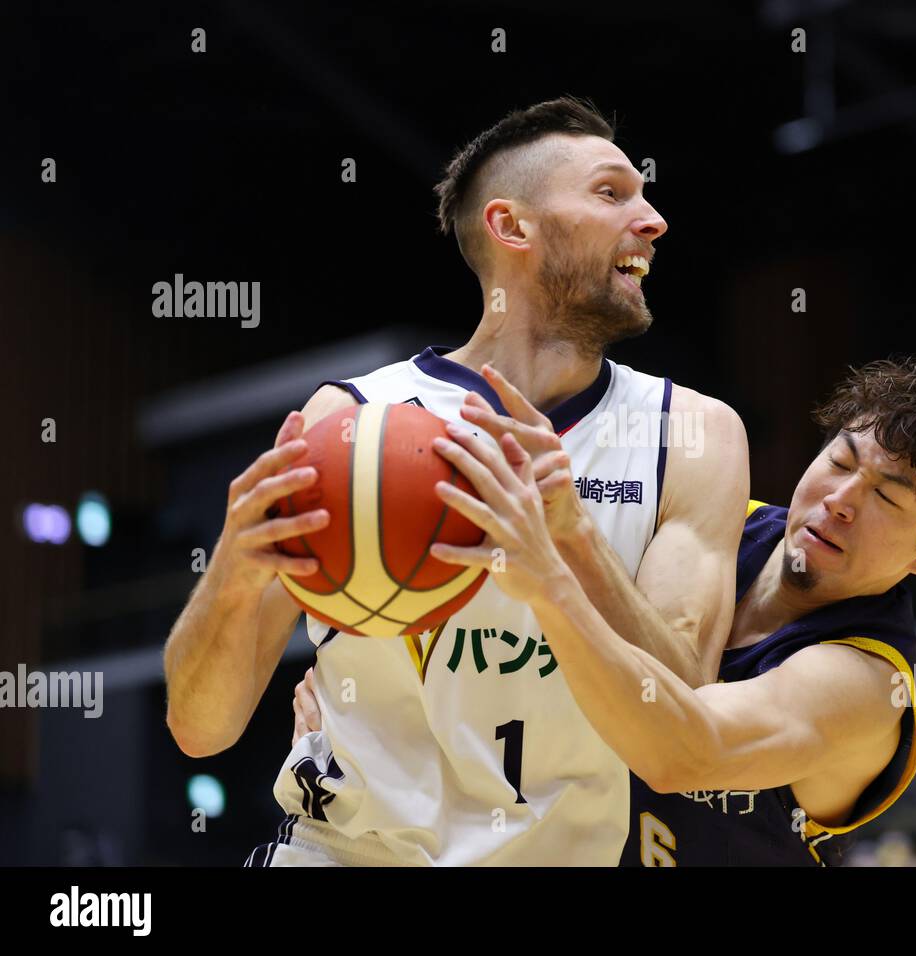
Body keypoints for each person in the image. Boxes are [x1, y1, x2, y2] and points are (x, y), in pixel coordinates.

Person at [163, 96, 749, 866]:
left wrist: (568, 542)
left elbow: (677, 715)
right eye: (612, 193)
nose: (654, 219)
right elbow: (201, 729)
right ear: (512, 228)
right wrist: (233, 578)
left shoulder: (692, 431)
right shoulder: (351, 422)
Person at [293, 357, 916, 864]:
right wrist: (372, 690)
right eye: (839, 461)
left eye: (887, 497)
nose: (840, 500)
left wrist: (557, 580)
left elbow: (682, 753)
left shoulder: (864, 685)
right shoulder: (710, 526)